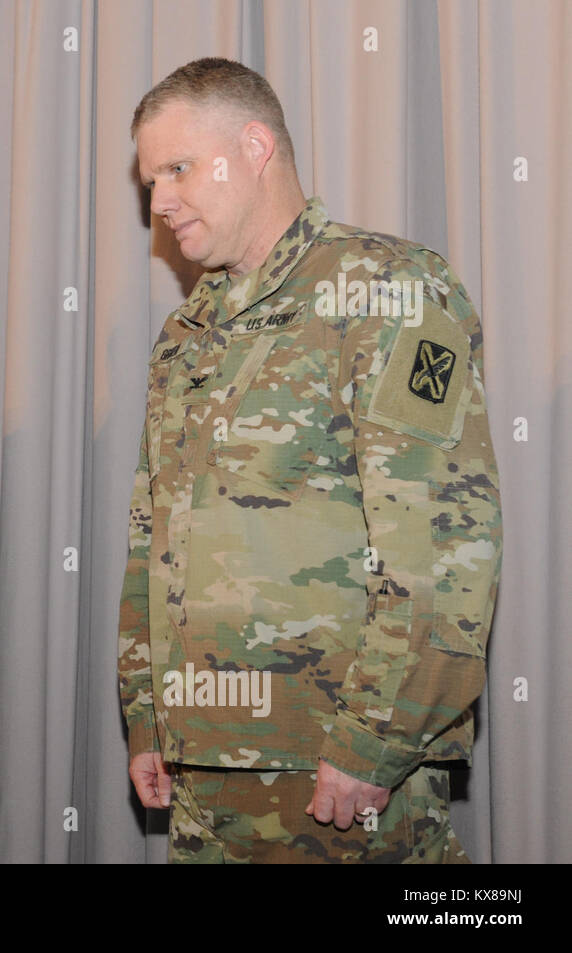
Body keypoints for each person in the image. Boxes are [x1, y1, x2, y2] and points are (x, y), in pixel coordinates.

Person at [118, 58, 502, 863]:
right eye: (151, 179)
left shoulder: (387, 290)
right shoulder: (186, 337)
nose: (159, 203)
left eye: (178, 168)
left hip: (337, 775)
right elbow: (151, 536)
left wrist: (377, 741)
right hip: (204, 765)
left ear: (255, 146)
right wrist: (149, 711)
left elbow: (443, 543)